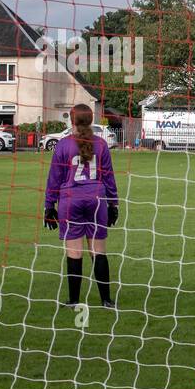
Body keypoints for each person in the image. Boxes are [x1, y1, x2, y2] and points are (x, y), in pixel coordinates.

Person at [43, 104, 119, 309]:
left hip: (71, 201)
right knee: (98, 251)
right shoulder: (102, 145)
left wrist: (49, 206)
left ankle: (74, 301)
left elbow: (54, 179)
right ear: (91, 119)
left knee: (74, 252)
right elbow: (109, 178)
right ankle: (106, 300)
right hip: (97, 200)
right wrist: (113, 204)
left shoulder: (63, 145)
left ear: (72, 121)